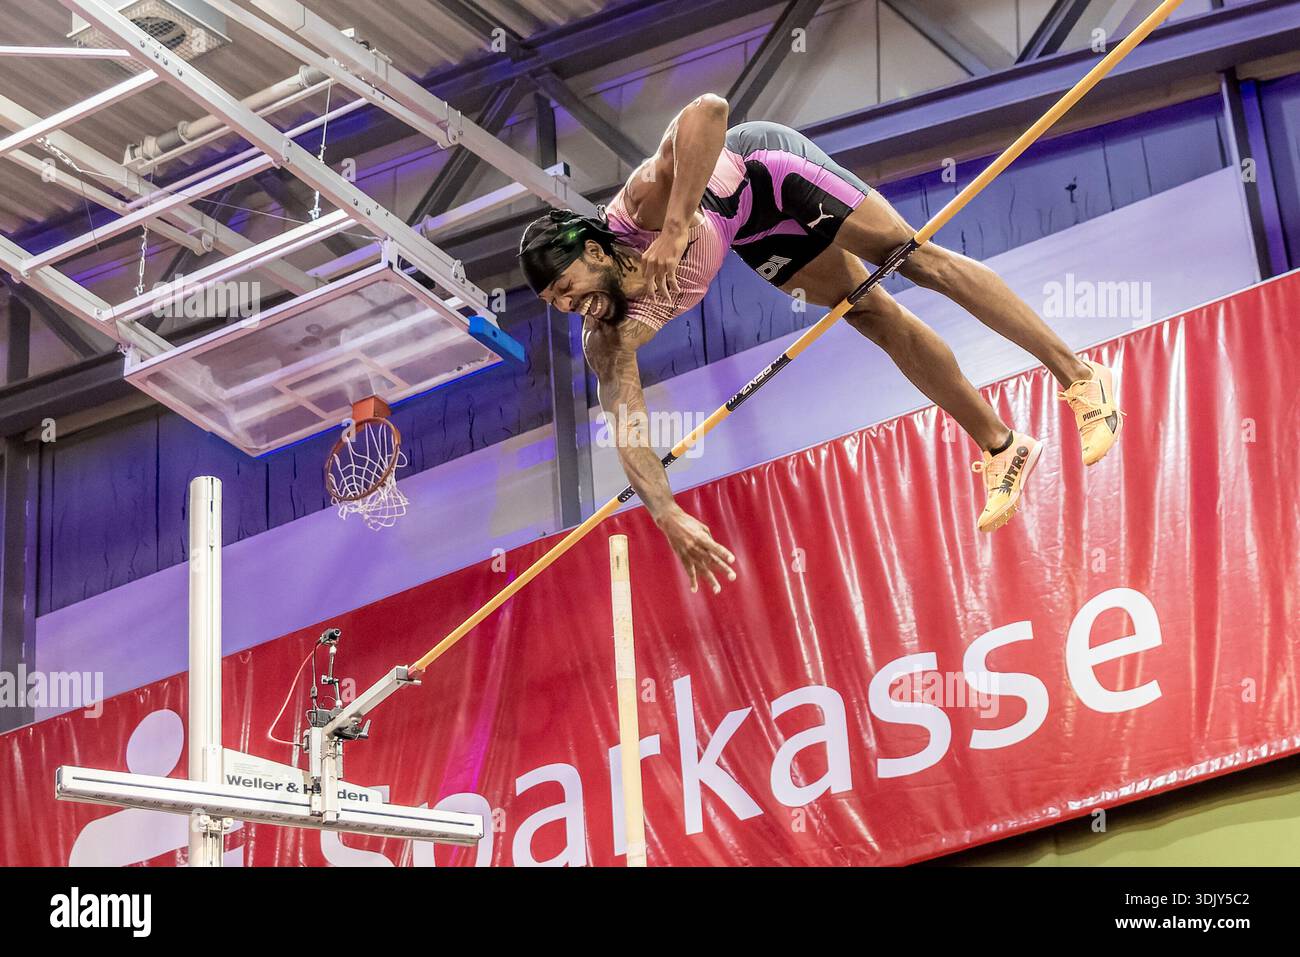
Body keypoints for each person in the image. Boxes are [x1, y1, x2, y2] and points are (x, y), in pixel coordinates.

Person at [518, 94, 1122, 594]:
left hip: (766, 171)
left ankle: (1079, 377)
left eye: (567, 288)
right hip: (752, 230)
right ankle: (1002, 446)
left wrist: (677, 226)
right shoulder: (607, 340)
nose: (572, 307)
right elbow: (628, 428)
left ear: (594, 250)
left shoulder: (643, 208)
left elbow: (708, 110)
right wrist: (666, 512)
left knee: (912, 259)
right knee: (870, 314)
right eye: (557, 306)